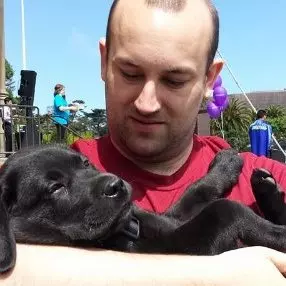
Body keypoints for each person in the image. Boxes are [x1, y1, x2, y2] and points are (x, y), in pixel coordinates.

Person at [4, 0, 286, 285]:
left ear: (210, 78)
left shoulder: (262, 173)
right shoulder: (40, 173)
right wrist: (216, 275)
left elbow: (171, 227)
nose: (146, 103)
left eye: (174, 80)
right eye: (130, 73)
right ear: (104, 61)